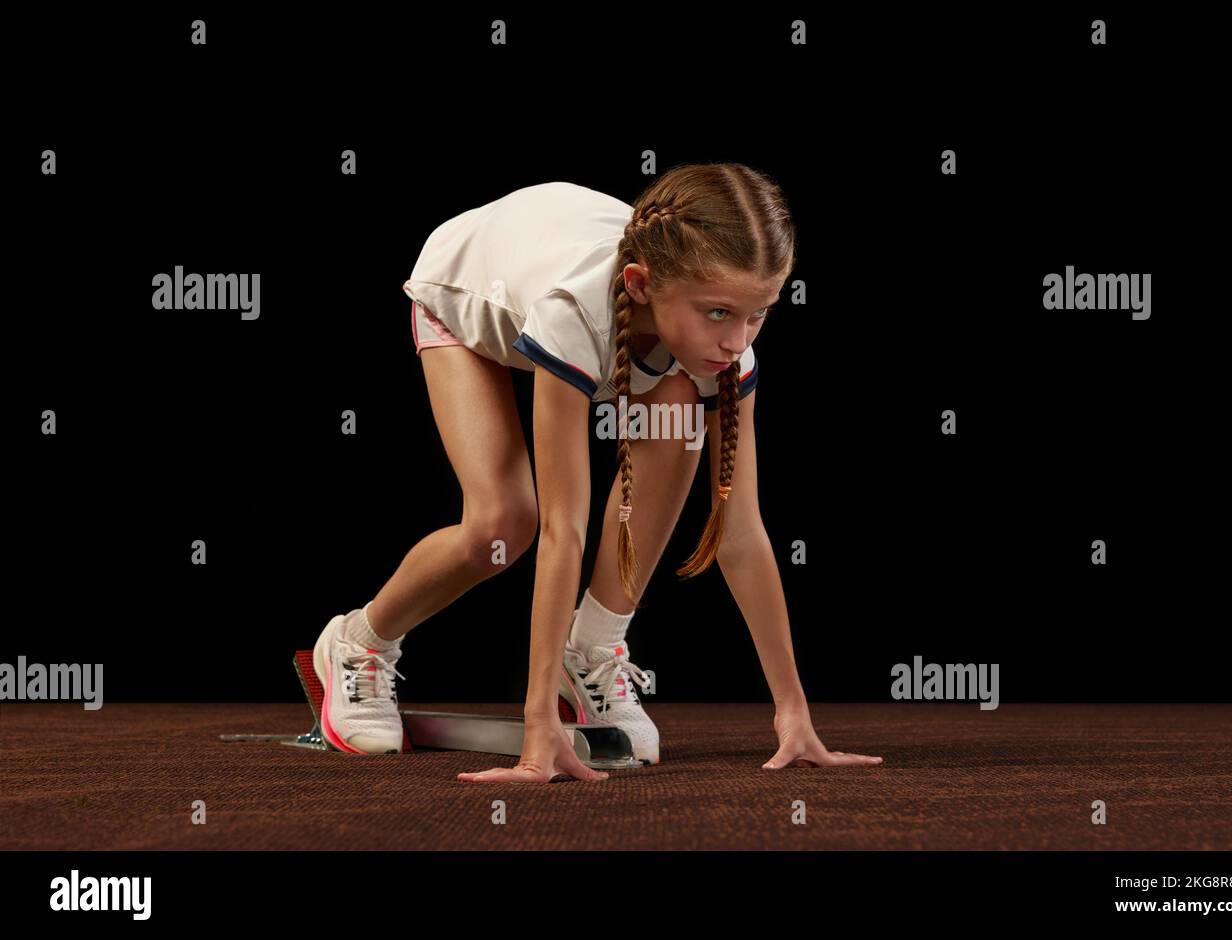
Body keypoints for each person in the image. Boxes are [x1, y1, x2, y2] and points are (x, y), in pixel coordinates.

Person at [312, 164, 885, 782]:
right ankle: (359, 640)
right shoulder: (574, 311)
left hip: (570, 274)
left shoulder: (724, 342)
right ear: (639, 284)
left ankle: (593, 646)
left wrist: (793, 713)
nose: (735, 340)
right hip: (467, 291)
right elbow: (566, 530)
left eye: (758, 314)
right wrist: (539, 728)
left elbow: (742, 532)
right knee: (504, 526)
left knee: (674, 407)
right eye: (718, 312)